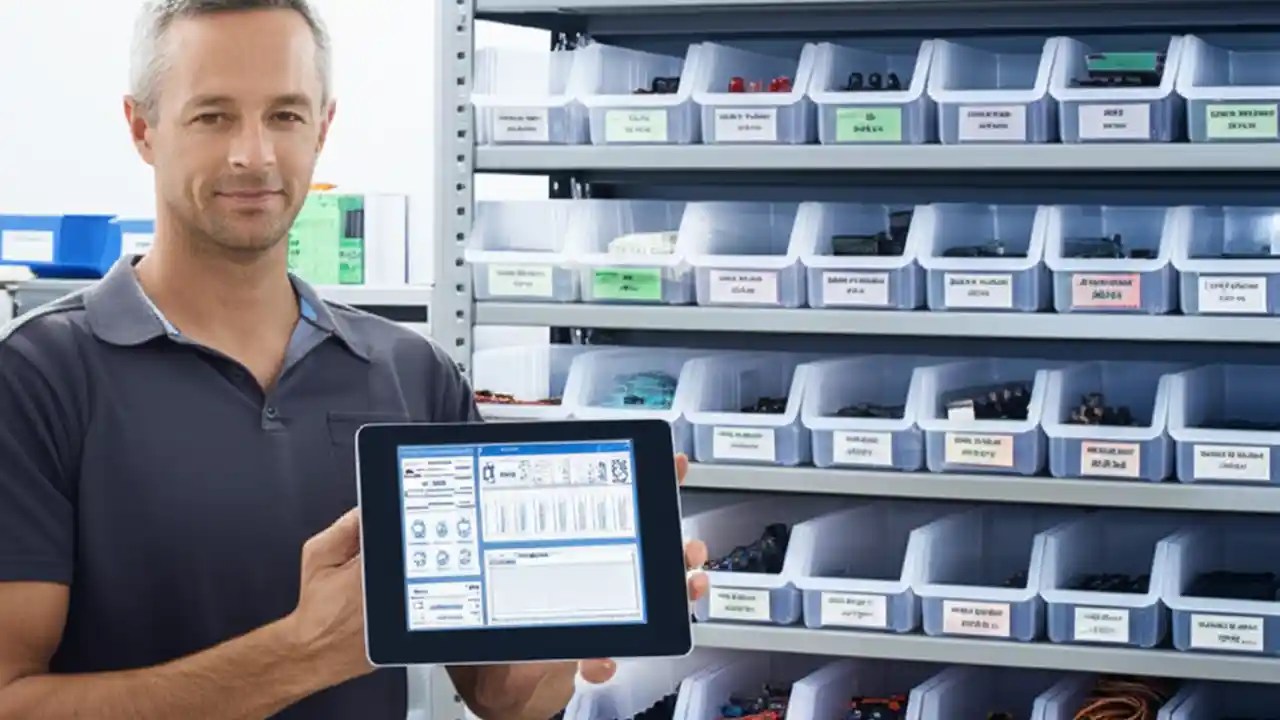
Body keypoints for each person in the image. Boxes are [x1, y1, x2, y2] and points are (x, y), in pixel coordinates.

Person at [0, 1, 709, 718]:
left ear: (323, 126)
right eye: (213, 116)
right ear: (141, 128)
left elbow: (499, 694)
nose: (255, 155)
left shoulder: (411, 375)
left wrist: (567, 625)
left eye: (285, 115)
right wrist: (302, 653)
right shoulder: (36, 379)